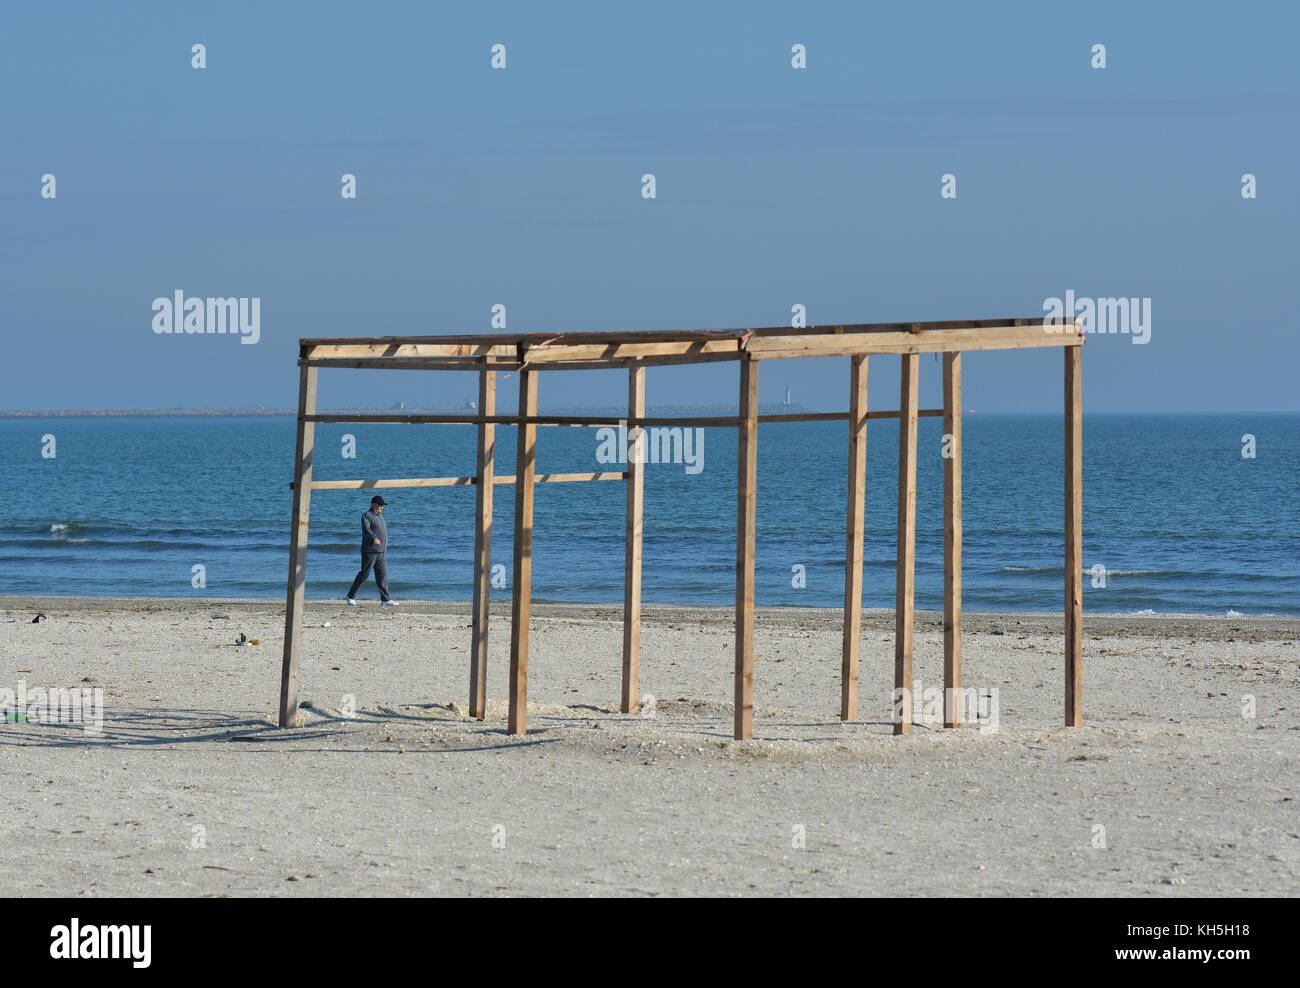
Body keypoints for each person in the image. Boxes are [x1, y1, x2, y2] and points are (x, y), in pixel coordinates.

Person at [345, 495, 398, 605]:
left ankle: (385, 599)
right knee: (364, 574)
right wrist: (374, 538)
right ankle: (350, 596)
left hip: (381, 551)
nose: (382, 508)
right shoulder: (367, 515)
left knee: (382, 576)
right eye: (380, 506)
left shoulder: (380, 516)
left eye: (382, 506)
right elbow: (366, 529)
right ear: (373, 505)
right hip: (370, 551)